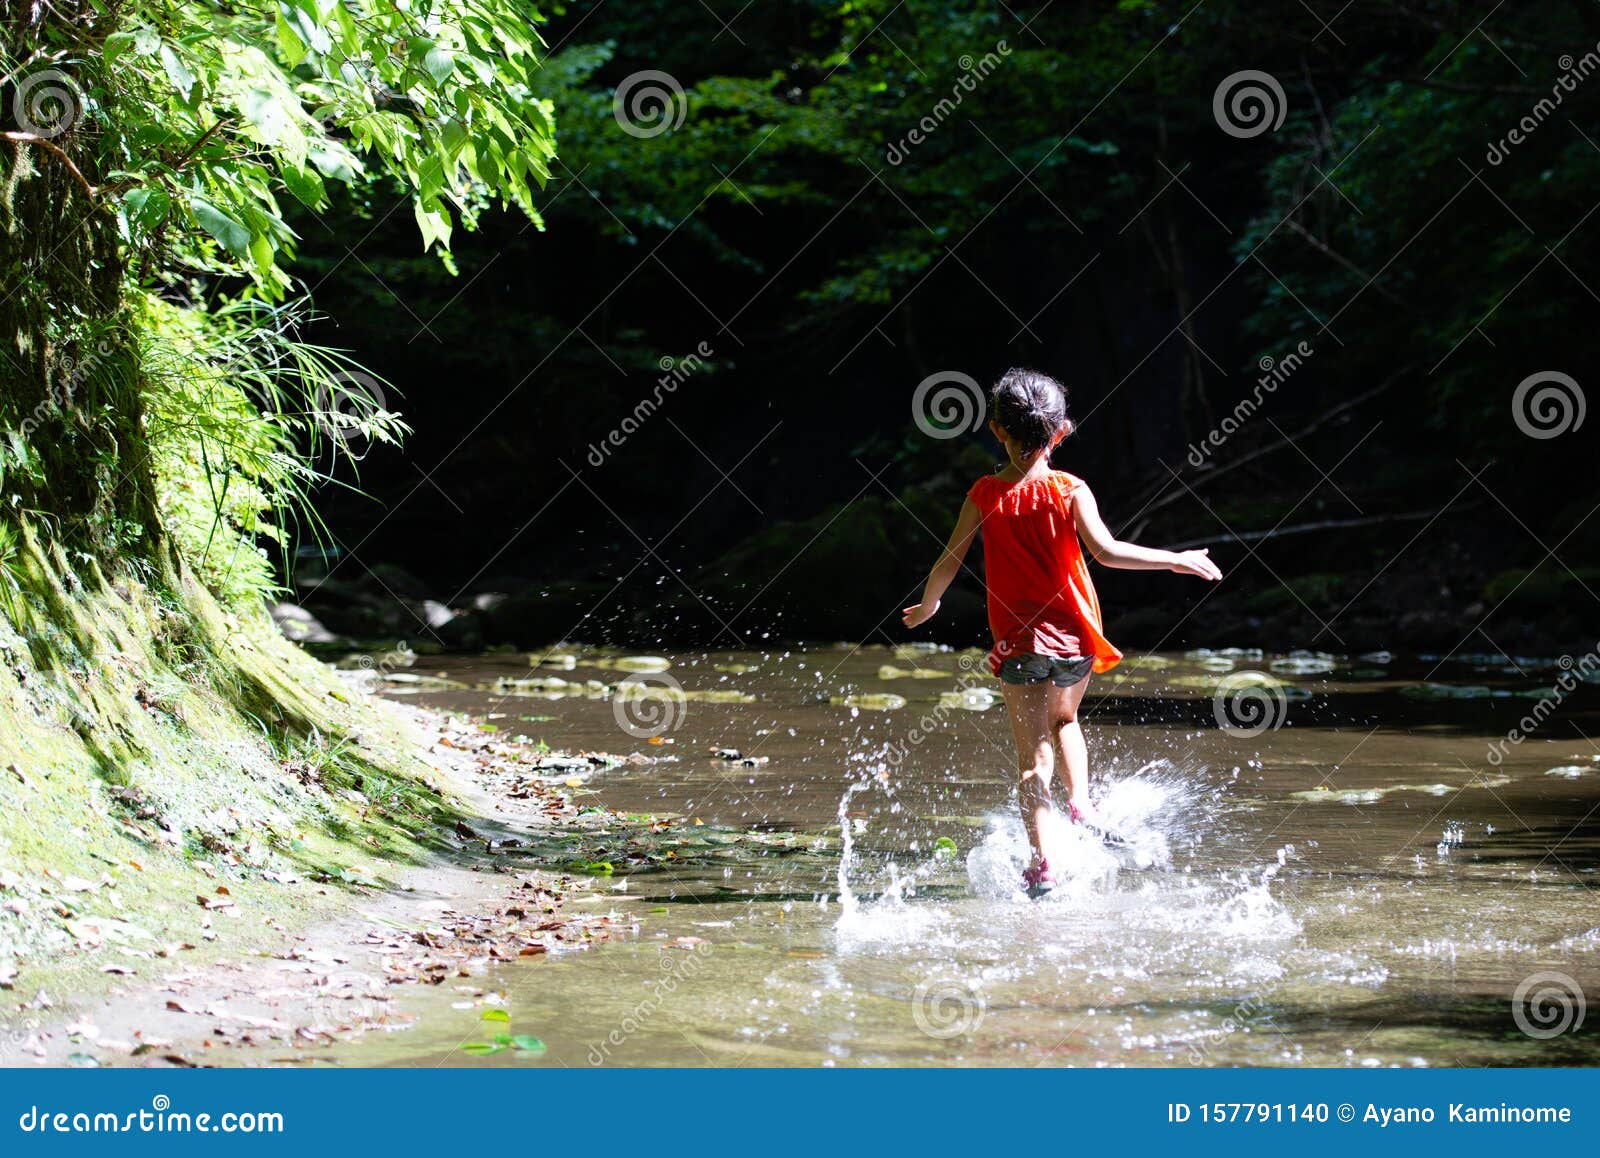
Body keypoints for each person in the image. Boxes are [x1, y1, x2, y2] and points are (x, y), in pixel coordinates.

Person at [902, 368, 1222, 895]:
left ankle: (1043, 864)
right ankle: (1082, 804)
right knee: (1066, 719)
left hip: (1018, 644)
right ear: (1061, 431)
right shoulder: (1071, 489)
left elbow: (949, 559)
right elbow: (1109, 553)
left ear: (997, 430)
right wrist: (1176, 560)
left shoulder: (984, 494)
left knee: (1032, 763)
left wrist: (931, 603)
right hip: (1076, 634)